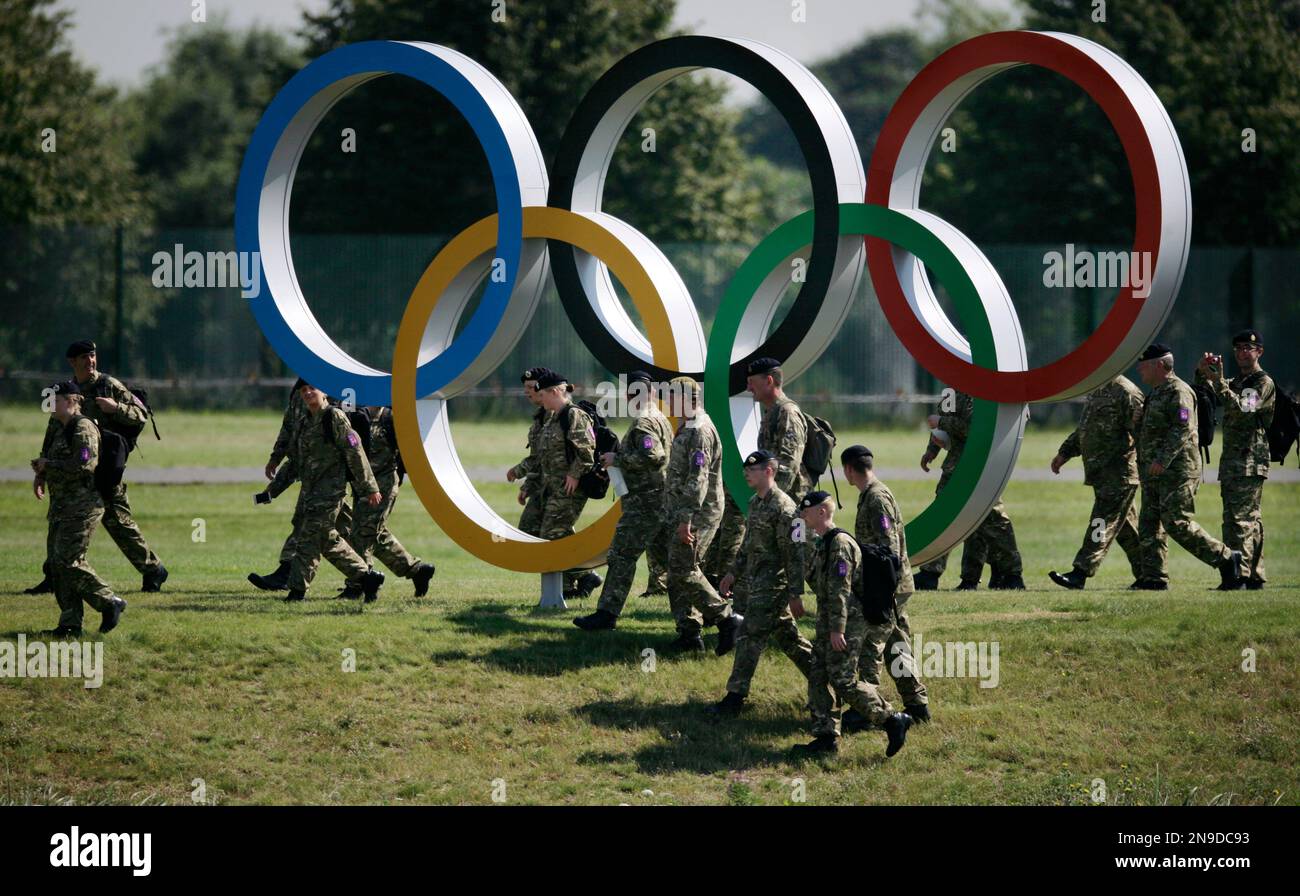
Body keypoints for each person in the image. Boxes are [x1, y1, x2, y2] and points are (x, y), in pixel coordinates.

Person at [26, 341, 167, 595]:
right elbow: (53, 430)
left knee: (118, 523)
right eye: (84, 358)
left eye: (92, 356)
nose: (90, 361)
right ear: (72, 362)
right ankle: (54, 575)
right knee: (59, 520)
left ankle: (153, 569)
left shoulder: (108, 385)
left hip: (103, 470)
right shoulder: (66, 391)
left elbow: (141, 415)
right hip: (70, 469)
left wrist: (117, 408)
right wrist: (43, 471)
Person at [793, 490, 911, 758]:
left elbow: (840, 591)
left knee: (843, 679)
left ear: (822, 511)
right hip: (830, 620)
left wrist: (837, 629)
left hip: (847, 623)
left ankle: (891, 718)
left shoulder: (840, 544)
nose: (802, 516)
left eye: (806, 511)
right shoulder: (824, 542)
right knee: (819, 675)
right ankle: (826, 738)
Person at [254, 382, 385, 602]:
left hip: (330, 491)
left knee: (309, 539)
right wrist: (272, 491)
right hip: (310, 493)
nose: (307, 393)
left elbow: (355, 451)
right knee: (324, 540)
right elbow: (296, 461)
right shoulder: (304, 421)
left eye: (311, 388)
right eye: (303, 390)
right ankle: (366, 577)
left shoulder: (334, 417)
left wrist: (369, 486)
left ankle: (297, 592)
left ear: (324, 392)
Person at [709, 450, 812, 715]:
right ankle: (830, 679)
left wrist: (795, 593)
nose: (746, 474)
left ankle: (734, 698)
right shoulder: (755, 503)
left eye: (752, 470)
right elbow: (747, 544)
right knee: (790, 641)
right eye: (746, 470)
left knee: (748, 635)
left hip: (774, 587)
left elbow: (795, 553)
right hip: (756, 582)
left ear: (769, 471)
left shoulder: (786, 509)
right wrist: (733, 572)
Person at [1132, 343, 1242, 590]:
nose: (1140, 370)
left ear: (1160, 365)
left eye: (1144, 365)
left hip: (1177, 470)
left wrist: (1163, 459)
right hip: (1154, 471)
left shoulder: (1179, 391)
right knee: (1149, 523)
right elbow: (1153, 433)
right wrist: (1137, 422)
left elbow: (1182, 428)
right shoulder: (1157, 392)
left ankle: (1225, 558)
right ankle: (1154, 578)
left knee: (1177, 523)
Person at [703, 356, 811, 597]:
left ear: (769, 381)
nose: (749, 387)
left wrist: (770, 499)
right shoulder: (771, 413)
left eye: (752, 382)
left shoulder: (787, 414)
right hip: (777, 503)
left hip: (791, 505)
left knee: (808, 558)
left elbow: (788, 465)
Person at [573, 372, 673, 630]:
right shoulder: (659, 417)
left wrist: (617, 460)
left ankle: (606, 615)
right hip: (660, 500)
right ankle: (711, 619)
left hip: (644, 504)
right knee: (676, 565)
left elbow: (655, 457)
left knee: (621, 556)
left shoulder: (644, 422)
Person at [840, 445, 930, 725]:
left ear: (849, 469)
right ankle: (917, 705)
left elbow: (887, 548)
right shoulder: (871, 494)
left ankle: (867, 709)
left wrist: (879, 591)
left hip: (887, 586)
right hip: (890, 584)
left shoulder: (876, 498)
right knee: (897, 646)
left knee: (872, 645)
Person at [30, 381, 127, 636]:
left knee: (69, 561)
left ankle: (109, 602)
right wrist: (41, 473)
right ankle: (70, 624)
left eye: (55, 399)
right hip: (62, 507)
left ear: (72, 400)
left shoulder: (83, 427)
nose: (50, 404)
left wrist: (48, 465)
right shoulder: (57, 427)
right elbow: (51, 459)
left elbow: (84, 464)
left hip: (83, 507)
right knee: (57, 566)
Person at [661, 376, 743, 654]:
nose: (668, 402)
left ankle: (727, 619)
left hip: (698, 514)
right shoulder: (687, 426)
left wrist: (686, 519)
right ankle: (689, 633)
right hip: (684, 512)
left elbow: (698, 479)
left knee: (684, 569)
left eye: (672, 396)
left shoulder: (700, 430)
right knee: (677, 571)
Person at [248, 378, 353, 592]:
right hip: (307, 469)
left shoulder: (333, 390)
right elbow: (288, 427)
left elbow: (351, 441)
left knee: (331, 528)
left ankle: (366, 575)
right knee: (326, 526)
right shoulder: (301, 392)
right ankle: (288, 574)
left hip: (330, 475)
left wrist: (366, 483)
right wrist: (276, 457)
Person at [913, 388, 1024, 590]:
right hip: (956, 467)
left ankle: (1011, 574)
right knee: (944, 517)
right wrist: (932, 449)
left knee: (992, 519)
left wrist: (941, 422)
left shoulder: (977, 389)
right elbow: (945, 420)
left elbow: (975, 428)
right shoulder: (952, 389)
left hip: (979, 467)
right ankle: (939, 574)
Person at [1194, 329, 1275, 590]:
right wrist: (1204, 371)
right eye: (1238, 348)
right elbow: (1207, 393)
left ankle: (1237, 576)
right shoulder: (1237, 382)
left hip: (1249, 460)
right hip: (1233, 461)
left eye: (1247, 348)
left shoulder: (1261, 382)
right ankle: (1254, 575)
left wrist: (1218, 383)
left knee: (1240, 521)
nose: (1242, 353)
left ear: (1259, 352)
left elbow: (1243, 410)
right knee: (1247, 519)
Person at [1048, 375, 1145, 589]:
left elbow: (1142, 432)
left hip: (1119, 475)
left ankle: (1080, 572)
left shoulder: (1127, 392)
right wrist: (1064, 453)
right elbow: (1086, 428)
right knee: (1126, 531)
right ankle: (1151, 575)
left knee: (1100, 523)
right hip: (1101, 474)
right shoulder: (1097, 388)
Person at [340, 406, 436, 598]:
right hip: (362, 484)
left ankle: (358, 585)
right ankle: (417, 571)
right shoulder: (358, 415)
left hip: (383, 484)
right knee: (375, 533)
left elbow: (409, 451)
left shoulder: (391, 418)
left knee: (363, 533)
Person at [534, 370, 602, 599]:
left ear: (554, 392)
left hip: (571, 488)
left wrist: (573, 475)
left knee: (550, 534)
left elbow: (586, 451)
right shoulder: (553, 416)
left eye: (542, 394)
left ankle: (580, 576)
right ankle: (574, 582)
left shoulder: (574, 415)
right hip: (553, 487)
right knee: (555, 534)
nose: (540, 399)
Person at [506, 367, 552, 537]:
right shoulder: (542, 415)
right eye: (525, 387)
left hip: (557, 486)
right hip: (542, 486)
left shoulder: (554, 415)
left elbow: (543, 455)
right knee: (528, 532)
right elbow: (538, 458)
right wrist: (529, 486)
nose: (527, 392)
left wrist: (518, 471)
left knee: (555, 535)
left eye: (531, 387)